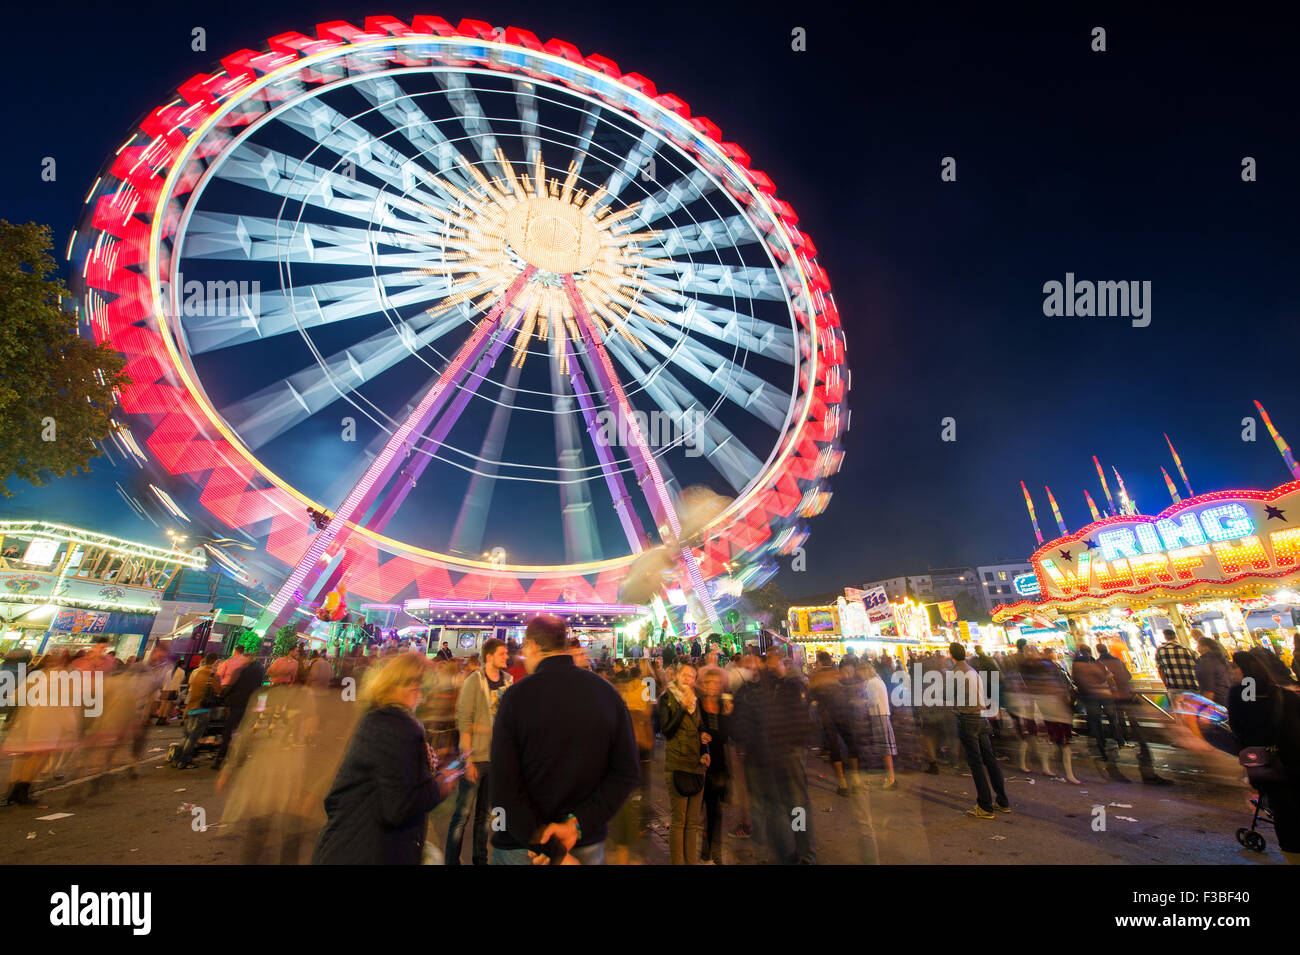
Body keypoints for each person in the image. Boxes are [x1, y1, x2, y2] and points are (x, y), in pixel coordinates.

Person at [489, 614, 640, 865]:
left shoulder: (515, 697)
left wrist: (548, 848)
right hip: (584, 843)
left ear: (533, 645)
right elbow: (626, 773)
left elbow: (503, 786)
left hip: (522, 847)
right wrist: (576, 825)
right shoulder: (606, 693)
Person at [313, 653, 458, 864]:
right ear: (410, 685)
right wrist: (442, 783)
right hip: (366, 850)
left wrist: (424, 766)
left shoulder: (380, 719)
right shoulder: (397, 725)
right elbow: (399, 806)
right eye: (423, 689)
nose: (425, 697)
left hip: (353, 845)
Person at [732, 651, 815, 864]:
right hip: (774, 754)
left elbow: (800, 718)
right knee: (785, 805)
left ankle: (805, 852)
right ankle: (795, 848)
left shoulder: (791, 684)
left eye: (766, 660)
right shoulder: (766, 686)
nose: (763, 665)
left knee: (797, 805)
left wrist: (789, 743)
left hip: (790, 752)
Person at [445, 637, 513, 865]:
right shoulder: (474, 681)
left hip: (496, 759)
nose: (507, 657)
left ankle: (480, 858)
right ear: (489, 656)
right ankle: (451, 859)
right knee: (462, 815)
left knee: (485, 816)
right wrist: (467, 761)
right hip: (476, 757)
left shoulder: (508, 682)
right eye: (502, 653)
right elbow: (463, 722)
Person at [1227, 650, 1300, 854]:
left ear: (1245, 670)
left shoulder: (1240, 694)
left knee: (1283, 810)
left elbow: (1240, 725)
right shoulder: (1283, 694)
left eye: (1234, 666)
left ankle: (1292, 850)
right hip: (1294, 758)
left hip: (1267, 762)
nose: (1231, 671)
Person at [949, 643, 1010, 818]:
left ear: (951, 654)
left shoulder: (955, 673)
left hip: (967, 718)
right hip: (981, 717)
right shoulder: (972, 670)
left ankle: (985, 805)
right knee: (989, 759)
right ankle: (1002, 801)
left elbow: (947, 694)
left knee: (976, 763)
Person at [1096, 643, 1170, 786]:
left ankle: (1122, 740)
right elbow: (1128, 675)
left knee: (1118, 720)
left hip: (1115, 696)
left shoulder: (1099, 663)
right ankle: (1145, 766)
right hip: (1127, 694)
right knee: (1137, 728)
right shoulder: (1117, 661)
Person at [659, 663, 708, 865]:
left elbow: (701, 729)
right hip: (677, 764)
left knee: (693, 822)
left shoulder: (697, 702)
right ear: (677, 676)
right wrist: (681, 707)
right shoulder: (667, 698)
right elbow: (666, 731)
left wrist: (705, 749)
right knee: (679, 821)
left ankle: (691, 861)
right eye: (686, 675)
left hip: (697, 765)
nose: (689, 679)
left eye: (692, 676)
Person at [697, 666, 732, 864]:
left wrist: (729, 716)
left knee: (714, 812)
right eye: (709, 682)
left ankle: (712, 849)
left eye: (717, 683)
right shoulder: (697, 705)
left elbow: (727, 736)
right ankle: (701, 843)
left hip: (718, 765)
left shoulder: (723, 706)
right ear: (703, 685)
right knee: (697, 810)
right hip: (699, 764)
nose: (713, 686)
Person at [861, 660, 897, 789]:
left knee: (884, 749)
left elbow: (873, 701)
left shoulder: (871, 683)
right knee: (885, 749)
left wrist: (861, 703)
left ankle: (891, 778)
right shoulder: (878, 680)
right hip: (884, 715)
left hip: (878, 716)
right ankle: (889, 777)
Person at [1155, 628, 1199, 697]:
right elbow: (1198, 668)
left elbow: (1161, 670)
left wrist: (1167, 686)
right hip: (1193, 688)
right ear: (1176, 637)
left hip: (1175, 688)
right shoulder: (1188, 649)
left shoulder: (1160, 650)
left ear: (1164, 638)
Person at [1195, 635, 1231, 705]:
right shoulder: (1220, 659)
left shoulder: (1205, 663)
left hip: (1217, 703)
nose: (1196, 648)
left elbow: (1208, 690)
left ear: (1205, 647)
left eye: (1198, 646)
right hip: (1227, 699)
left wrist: (1204, 709)